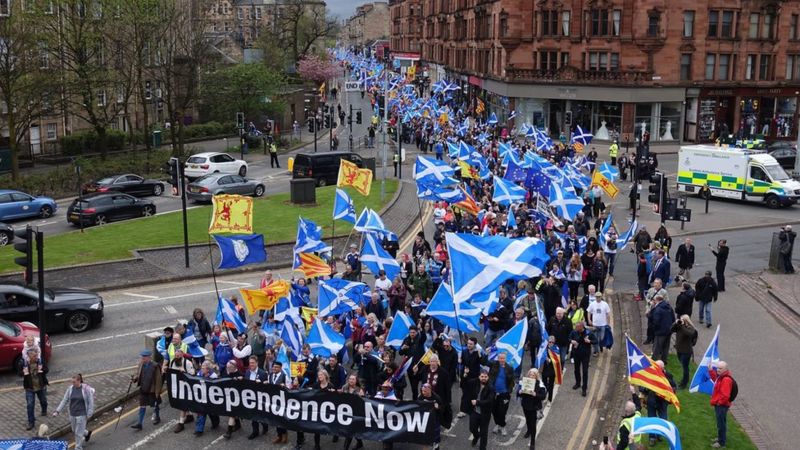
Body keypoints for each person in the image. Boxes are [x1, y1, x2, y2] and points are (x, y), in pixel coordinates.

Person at [53, 374, 94, 450]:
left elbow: (90, 401)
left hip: (82, 414)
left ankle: (78, 447)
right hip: (72, 413)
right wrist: (57, 411)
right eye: (72, 382)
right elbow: (64, 400)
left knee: (78, 433)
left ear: (79, 381)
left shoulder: (86, 389)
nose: (73, 384)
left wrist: (89, 413)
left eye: (74, 382)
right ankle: (87, 433)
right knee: (74, 430)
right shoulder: (70, 389)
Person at [131, 349, 162, 430]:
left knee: (155, 405)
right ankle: (139, 423)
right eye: (142, 357)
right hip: (143, 389)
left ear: (149, 357)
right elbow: (138, 374)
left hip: (152, 390)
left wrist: (157, 392)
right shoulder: (141, 364)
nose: (142, 358)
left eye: (144, 357)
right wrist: (134, 379)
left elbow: (158, 380)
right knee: (142, 406)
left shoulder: (155, 366)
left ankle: (157, 417)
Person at [166, 348, 196, 433]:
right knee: (182, 403)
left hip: (186, 387)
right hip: (178, 386)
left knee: (182, 405)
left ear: (182, 355)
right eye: (175, 355)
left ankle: (181, 423)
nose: (176, 357)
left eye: (178, 355)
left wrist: (184, 372)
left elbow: (193, 374)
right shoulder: (172, 362)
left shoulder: (187, 363)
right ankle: (190, 416)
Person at [518, 368, 547, 448]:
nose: (531, 376)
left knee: (533, 424)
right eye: (530, 374)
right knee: (527, 419)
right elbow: (519, 393)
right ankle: (528, 431)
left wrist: (535, 394)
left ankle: (532, 442)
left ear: (536, 376)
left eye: (533, 375)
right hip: (525, 405)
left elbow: (543, 396)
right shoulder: (525, 382)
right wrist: (520, 392)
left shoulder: (540, 385)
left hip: (534, 407)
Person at [709, 361, 736, 448]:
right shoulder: (721, 377)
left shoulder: (726, 380)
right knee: (720, 423)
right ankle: (720, 438)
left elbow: (725, 396)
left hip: (722, 405)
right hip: (720, 405)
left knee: (721, 424)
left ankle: (721, 443)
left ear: (725, 369)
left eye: (720, 368)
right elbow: (715, 381)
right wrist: (710, 371)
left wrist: (718, 403)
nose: (718, 370)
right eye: (717, 368)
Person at [466, 369, 494, 450]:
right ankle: (476, 436)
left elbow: (490, 400)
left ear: (488, 377)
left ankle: (482, 447)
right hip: (475, 412)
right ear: (479, 377)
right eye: (482, 376)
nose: (483, 378)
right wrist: (465, 375)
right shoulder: (475, 383)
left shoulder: (491, 387)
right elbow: (466, 382)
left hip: (485, 413)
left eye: (485, 377)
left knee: (484, 433)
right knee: (472, 428)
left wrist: (478, 402)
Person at [488, 352, 515, 436]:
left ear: (505, 359)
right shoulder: (494, 365)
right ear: (498, 358)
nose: (502, 360)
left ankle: (502, 426)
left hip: (504, 394)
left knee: (502, 411)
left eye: (503, 358)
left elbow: (512, 381)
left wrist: (509, 391)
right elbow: (485, 361)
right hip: (494, 393)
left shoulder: (509, 368)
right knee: (494, 410)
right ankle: (497, 424)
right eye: (500, 358)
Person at [22, 347, 48, 431]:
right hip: (30, 388)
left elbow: (47, 370)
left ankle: (44, 409)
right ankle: (31, 422)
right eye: (34, 356)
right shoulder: (24, 363)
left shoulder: (40, 361)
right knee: (30, 405)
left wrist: (42, 369)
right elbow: (19, 373)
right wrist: (23, 371)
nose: (36, 357)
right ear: (29, 357)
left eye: (36, 355)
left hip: (41, 386)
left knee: (43, 400)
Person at [569, 321, 596, 397]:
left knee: (585, 372)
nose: (576, 328)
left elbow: (595, 341)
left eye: (577, 327)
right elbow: (569, 338)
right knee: (576, 370)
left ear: (582, 327)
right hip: (576, 354)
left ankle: (584, 389)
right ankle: (578, 383)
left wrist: (589, 341)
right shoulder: (574, 332)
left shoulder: (589, 333)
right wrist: (571, 341)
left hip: (585, 355)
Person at [671, 315, 698, 389]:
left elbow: (689, 333)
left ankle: (684, 383)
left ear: (687, 321)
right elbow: (671, 329)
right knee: (682, 365)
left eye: (683, 320)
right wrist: (676, 324)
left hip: (686, 351)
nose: (681, 321)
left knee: (685, 367)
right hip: (679, 350)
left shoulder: (691, 328)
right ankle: (683, 380)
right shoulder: (679, 326)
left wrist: (682, 326)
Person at [194, 361, 219, 436]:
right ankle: (199, 430)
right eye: (201, 368)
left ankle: (215, 423)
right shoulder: (199, 373)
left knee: (212, 412)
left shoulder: (213, 376)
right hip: (202, 396)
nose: (201, 369)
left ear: (208, 369)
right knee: (201, 412)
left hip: (211, 397)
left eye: (203, 368)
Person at [649, 295, 675, 363]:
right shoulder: (669, 307)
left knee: (657, 347)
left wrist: (654, 330)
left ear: (656, 300)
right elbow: (673, 318)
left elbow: (655, 321)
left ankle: (654, 361)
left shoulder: (658, 309)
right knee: (666, 346)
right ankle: (664, 360)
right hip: (668, 330)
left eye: (654, 301)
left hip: (660, 331)